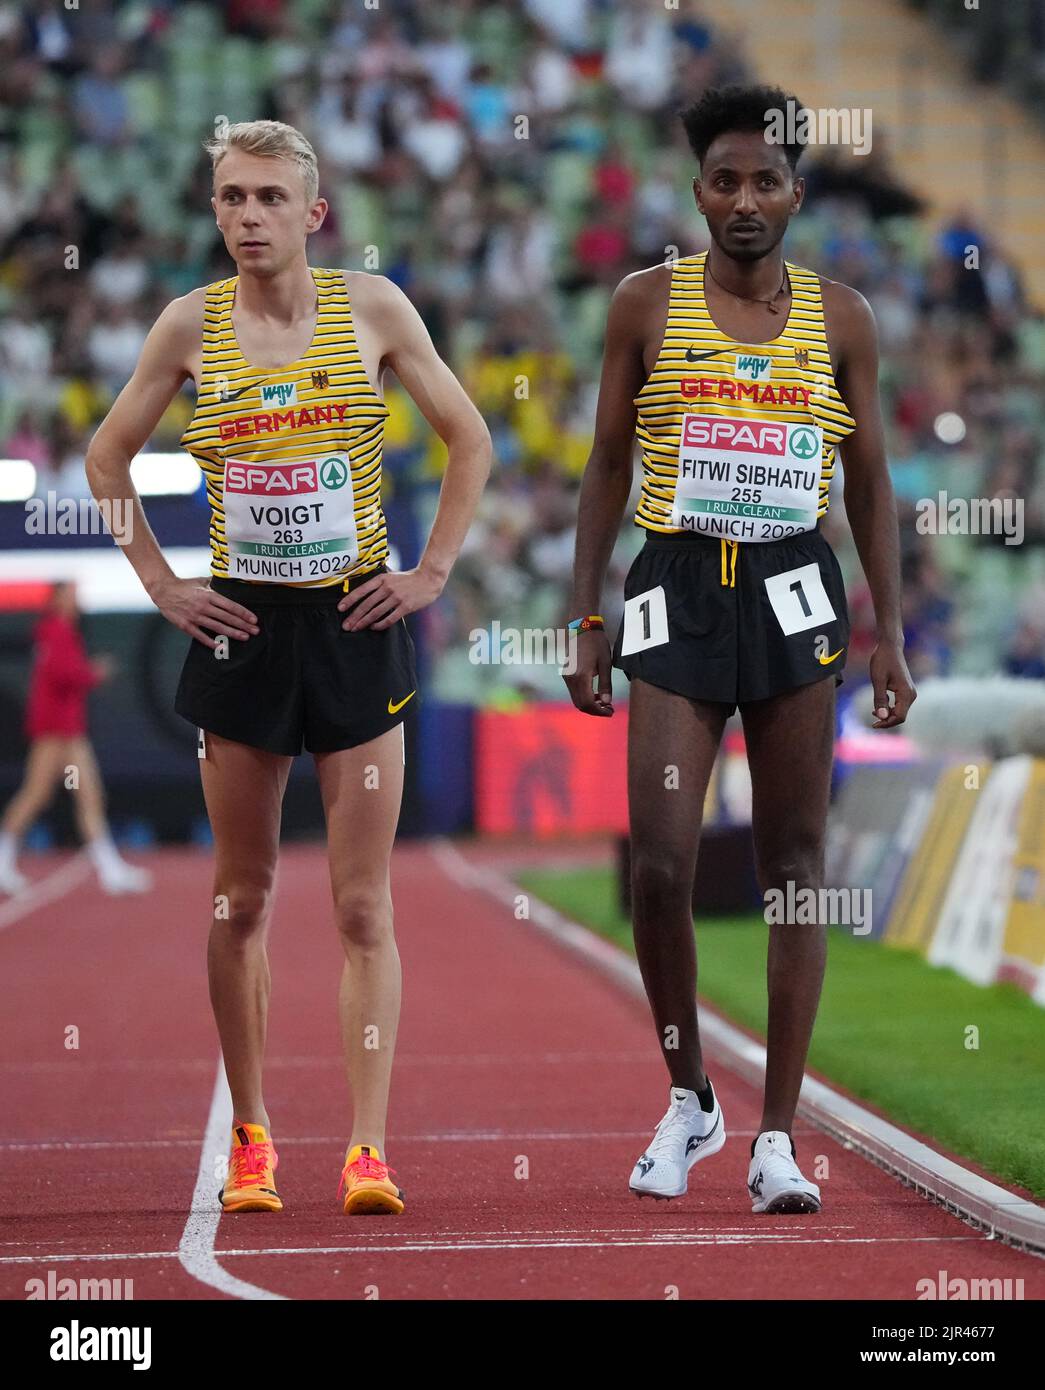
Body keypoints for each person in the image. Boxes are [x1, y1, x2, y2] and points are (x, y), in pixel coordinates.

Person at [84, 120, 491, 1214]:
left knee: (363, 906)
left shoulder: (375, 310)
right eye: (228, 198)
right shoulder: (188, 326)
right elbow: (105, 454)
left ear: (314, 215)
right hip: (242, 630)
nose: (246, 217)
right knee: (240, 896)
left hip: (356, 622)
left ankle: (367, 1149)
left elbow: (470, 437)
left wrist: (433, 568)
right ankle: (254, 1135)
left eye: (268, 197)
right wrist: (163, 586)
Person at [564, 85, 915, 1215]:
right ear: (698, 189)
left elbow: (868, 484)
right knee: (660, 862)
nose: (746, 198)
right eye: (725, 178)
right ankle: (688, 1097)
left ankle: (777, 1137)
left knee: (795, 872)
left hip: (795, 587)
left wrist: (888, 635)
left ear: (796, 192)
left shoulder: (843, 319)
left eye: (766, 180)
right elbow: (606, 463)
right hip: (673, 584)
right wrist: (584, 615)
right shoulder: (643, 305)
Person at [0, 580, 152, 897]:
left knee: (86, 796)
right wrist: (94, 672)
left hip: (66, 730)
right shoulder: (55, 630)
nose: (76, 601)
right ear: (55, 600)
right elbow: (62, 674)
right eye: (70, 595)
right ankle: (4, 861)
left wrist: (88, 672)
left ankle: (110, 870)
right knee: (39, 795)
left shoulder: (59, 630)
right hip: (56, 731)